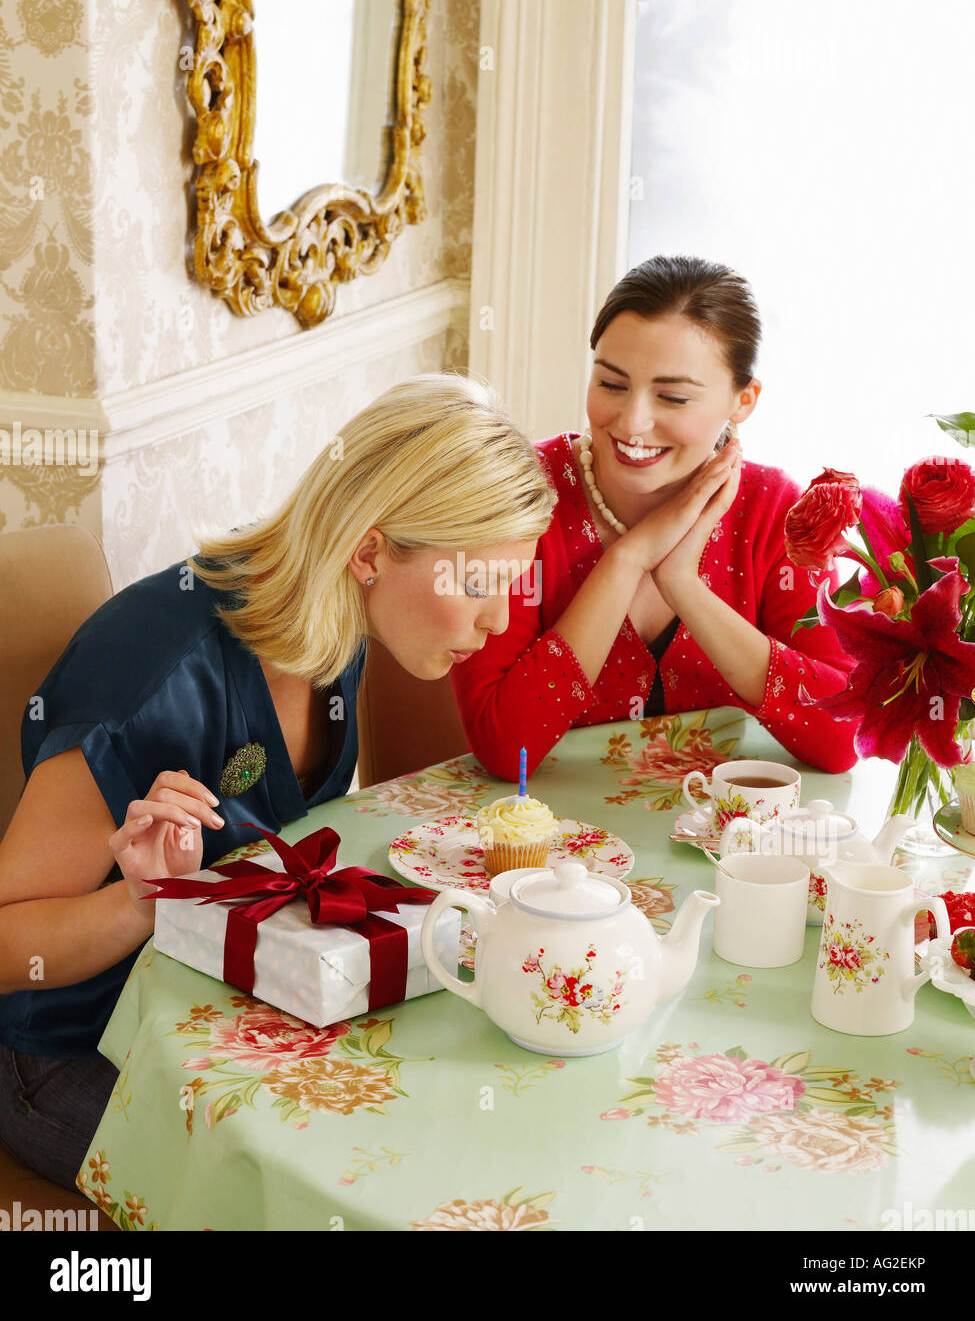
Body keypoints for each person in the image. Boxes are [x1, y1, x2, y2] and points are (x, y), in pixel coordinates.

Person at [0, 373, 555, 1193]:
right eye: (477, 586)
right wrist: (139, 901)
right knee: (334, 1190)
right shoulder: (156, 681)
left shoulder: (338, 620)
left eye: (510, 586)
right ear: (370, 550)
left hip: (233, 1005)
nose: (498, 621)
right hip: (75, 1051)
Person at [449, 255, 860, 782]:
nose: (633, 422)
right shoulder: (517, 495)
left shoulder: (776, 511)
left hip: (728, 852)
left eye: (673, 396)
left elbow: (843, 737)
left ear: (743, 400)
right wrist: (628, 559)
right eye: (612, 385)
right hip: (549, 851)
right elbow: (508, 750)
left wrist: (683, 584)